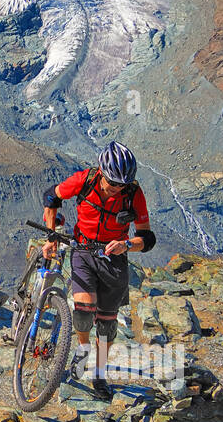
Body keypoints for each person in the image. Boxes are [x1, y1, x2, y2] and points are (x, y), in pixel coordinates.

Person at [41, 141, 155, 399]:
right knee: (83, 312)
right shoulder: (85, 180)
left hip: (114, 259)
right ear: (102, 173)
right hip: (82, 250)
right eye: (114, 183)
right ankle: (82, 350)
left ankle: (100, 372)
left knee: (107, 325)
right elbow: (52, 196)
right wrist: (51, 235)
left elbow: (147, 239)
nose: (118, 189)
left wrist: (126, 245)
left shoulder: (133, 194)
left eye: (123, 184)